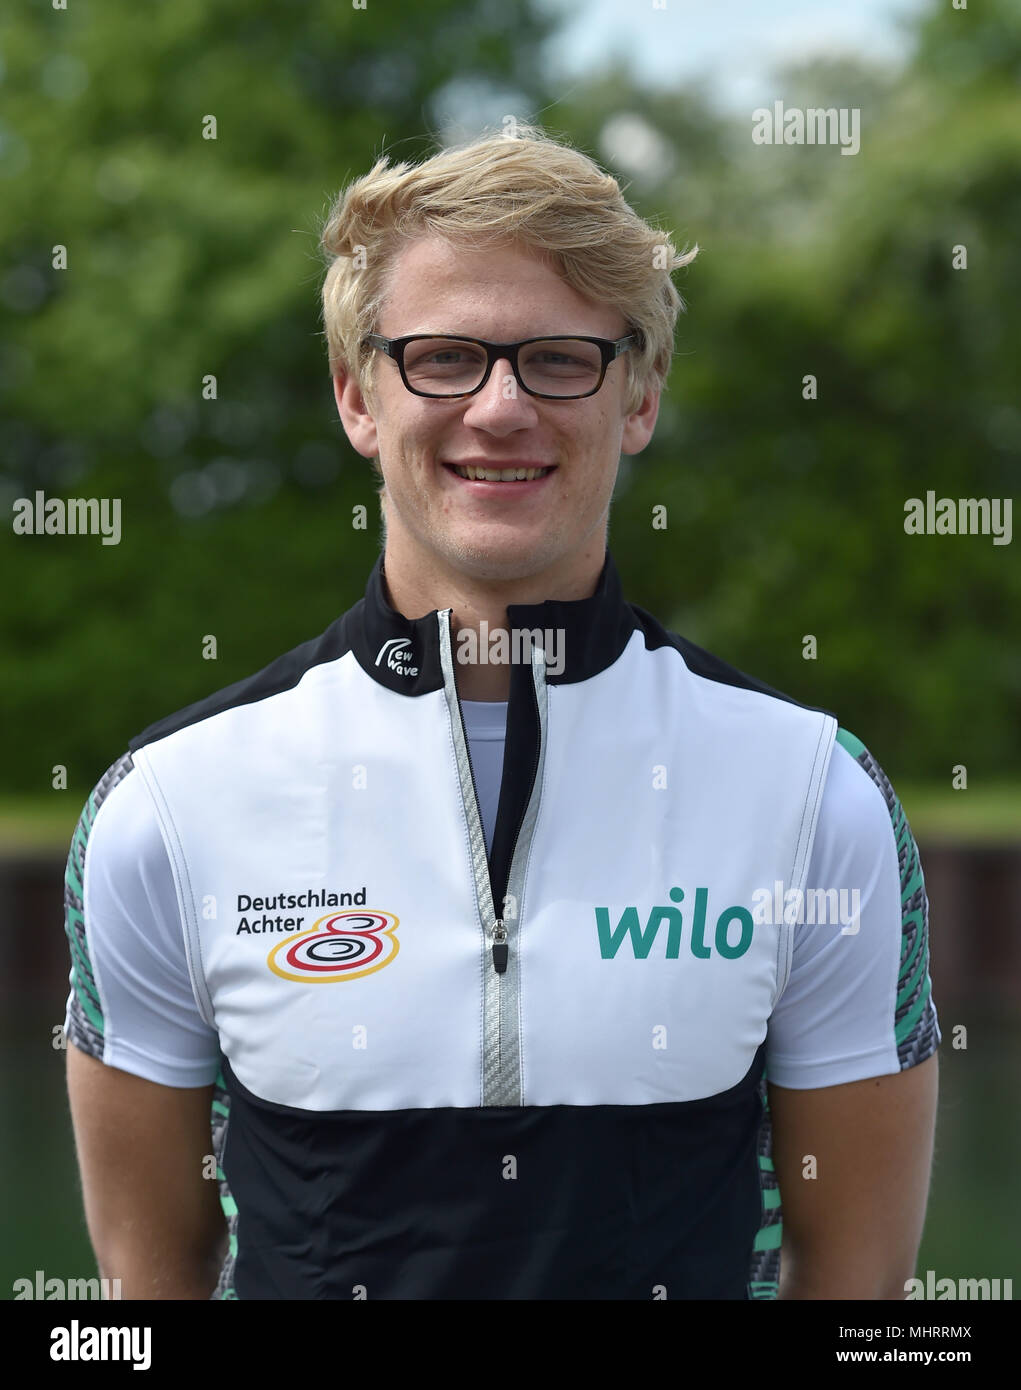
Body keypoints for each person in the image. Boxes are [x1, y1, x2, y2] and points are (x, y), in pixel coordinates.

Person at [63, 125, 940, 1301]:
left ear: (638, 395)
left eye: (559, 360)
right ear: (356, 396)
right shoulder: (166, 808)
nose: (500, 406)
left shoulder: (809, 795)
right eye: (443, 357)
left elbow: (857, 1293)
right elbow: (146, 1294)